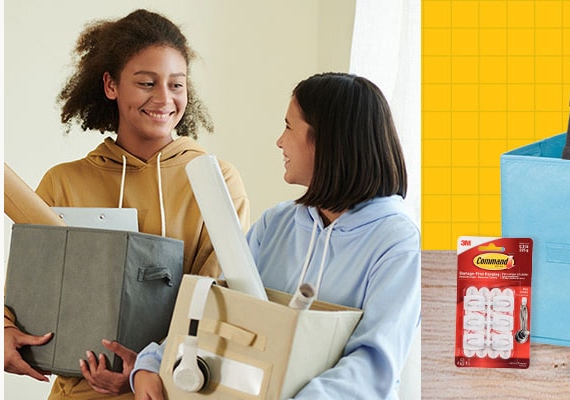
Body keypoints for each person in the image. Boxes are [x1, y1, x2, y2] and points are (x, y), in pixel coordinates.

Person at [3, 9, 251, 400]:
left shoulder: (216, 181)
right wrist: (3, 332)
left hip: (165, 391)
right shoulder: (62, 182)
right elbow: (26, 290)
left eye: (177, 85)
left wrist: (146, 371)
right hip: (74, 391)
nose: (164, 99)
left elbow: (219, 299)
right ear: (111, 85)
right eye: (147, 83)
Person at [129, 72, 421, 399]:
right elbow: (218, 312)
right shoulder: (277, 223)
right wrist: (152, 364)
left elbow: (374, 364)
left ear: (326, 139)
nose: (279, 141)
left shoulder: (396, 241)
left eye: (288, 126)